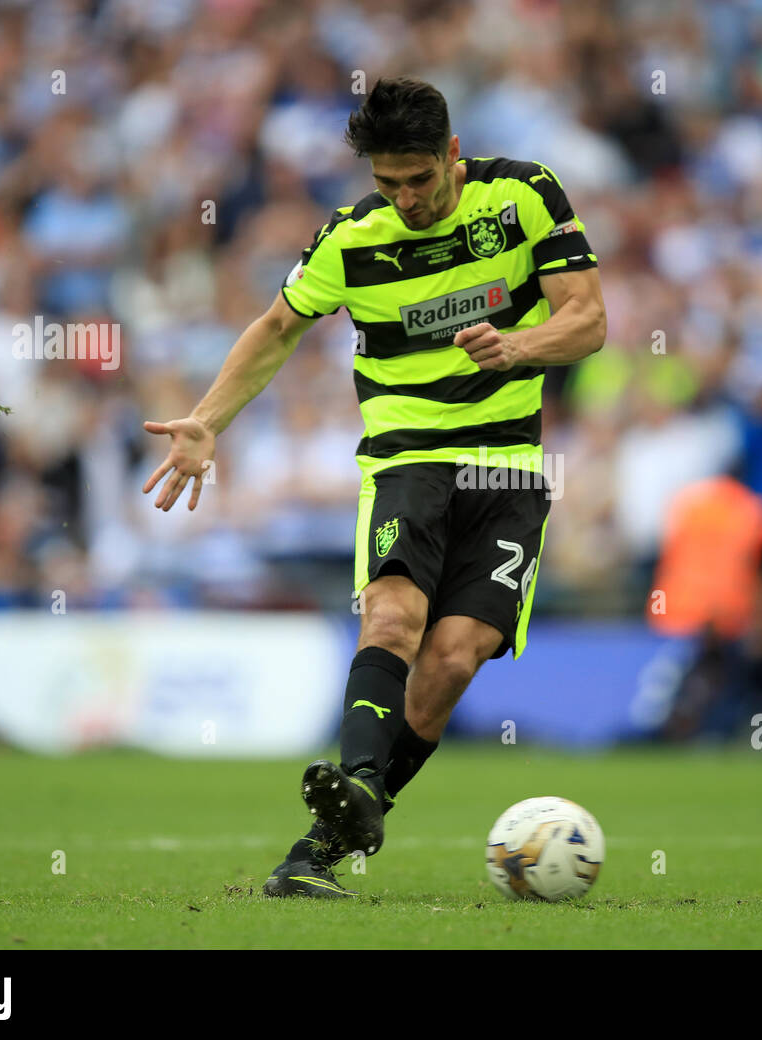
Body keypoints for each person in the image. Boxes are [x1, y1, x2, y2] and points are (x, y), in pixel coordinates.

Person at [142, 77, 606, 898]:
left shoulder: (525, 195)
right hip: (407, 458)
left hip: (507, 465)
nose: (405, 198)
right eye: (387, 183)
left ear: (453, 156)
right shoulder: (350, 238)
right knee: (394, 615)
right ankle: (356, 776)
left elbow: (589, 320)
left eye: (419, 180)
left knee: (457, 657)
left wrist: (520, 346)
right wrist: (207, 420)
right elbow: (278, 327)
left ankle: (331, 835)